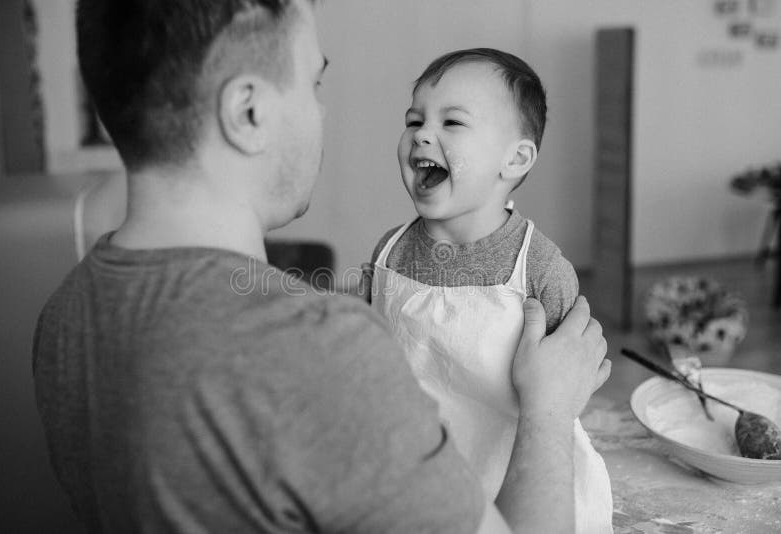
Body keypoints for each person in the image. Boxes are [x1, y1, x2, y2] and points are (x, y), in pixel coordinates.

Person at [32, 1, 610, 532]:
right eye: (314, 82)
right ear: (249, 111)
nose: (322, 108)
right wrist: (549, 411)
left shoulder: (64, 317)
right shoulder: (320, 352)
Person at [366, 49, 613, 532]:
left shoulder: (540, 270)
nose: (422, 133)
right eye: (414, 119)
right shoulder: (387, 252)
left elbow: (568, 388)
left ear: (515, 159)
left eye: (452, 122)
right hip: (424, 489)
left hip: (528, 491)